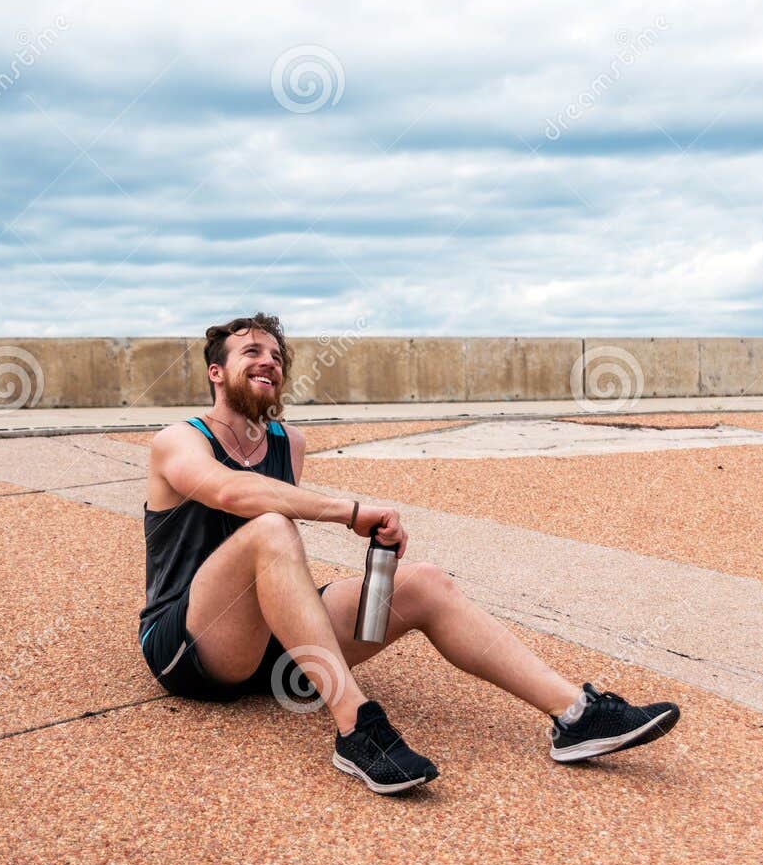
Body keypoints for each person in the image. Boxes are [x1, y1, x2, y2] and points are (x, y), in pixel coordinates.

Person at [139, 313, 681, 795]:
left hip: (271, 652)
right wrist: (351, 512)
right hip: (189, 648)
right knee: (272, 528)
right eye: (251, 353)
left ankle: (576, 715)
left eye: (277, 357)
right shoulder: (178, 441)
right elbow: (233, 494)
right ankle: (357, 729)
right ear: (217, 372)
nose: (269, 363)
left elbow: (272, 544)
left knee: (424, 581)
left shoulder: (287, 443)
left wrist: (379, 554)